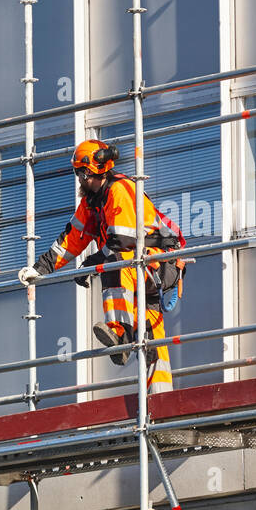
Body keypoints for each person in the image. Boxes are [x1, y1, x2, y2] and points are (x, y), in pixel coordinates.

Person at [17, 139, 180, 394]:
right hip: (144, 266)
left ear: (87, 172)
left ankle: (120, 334)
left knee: (114, 263)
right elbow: (72, 238)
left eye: (79, 174)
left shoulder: (121, 189)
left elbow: (124, 241)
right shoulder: (92, 203)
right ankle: (161, 398)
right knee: (149, 330)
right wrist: (41, 268)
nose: (79, 180)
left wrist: (95, 262)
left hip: (158, 261)